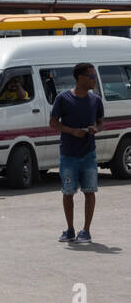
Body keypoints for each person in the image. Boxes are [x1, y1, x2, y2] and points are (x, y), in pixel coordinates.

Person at [50, 62, 103, 245]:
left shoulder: (95, 100)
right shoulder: (63, 99)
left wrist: (95, 128)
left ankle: (86, 231)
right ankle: (70, 229)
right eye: (91, 77)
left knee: (90, 192)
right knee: (68, 193)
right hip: (69, 155)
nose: (94, 80)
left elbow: (100, 122)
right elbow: (53, 123)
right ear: (80, 78)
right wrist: (72, 131)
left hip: (89, 154)